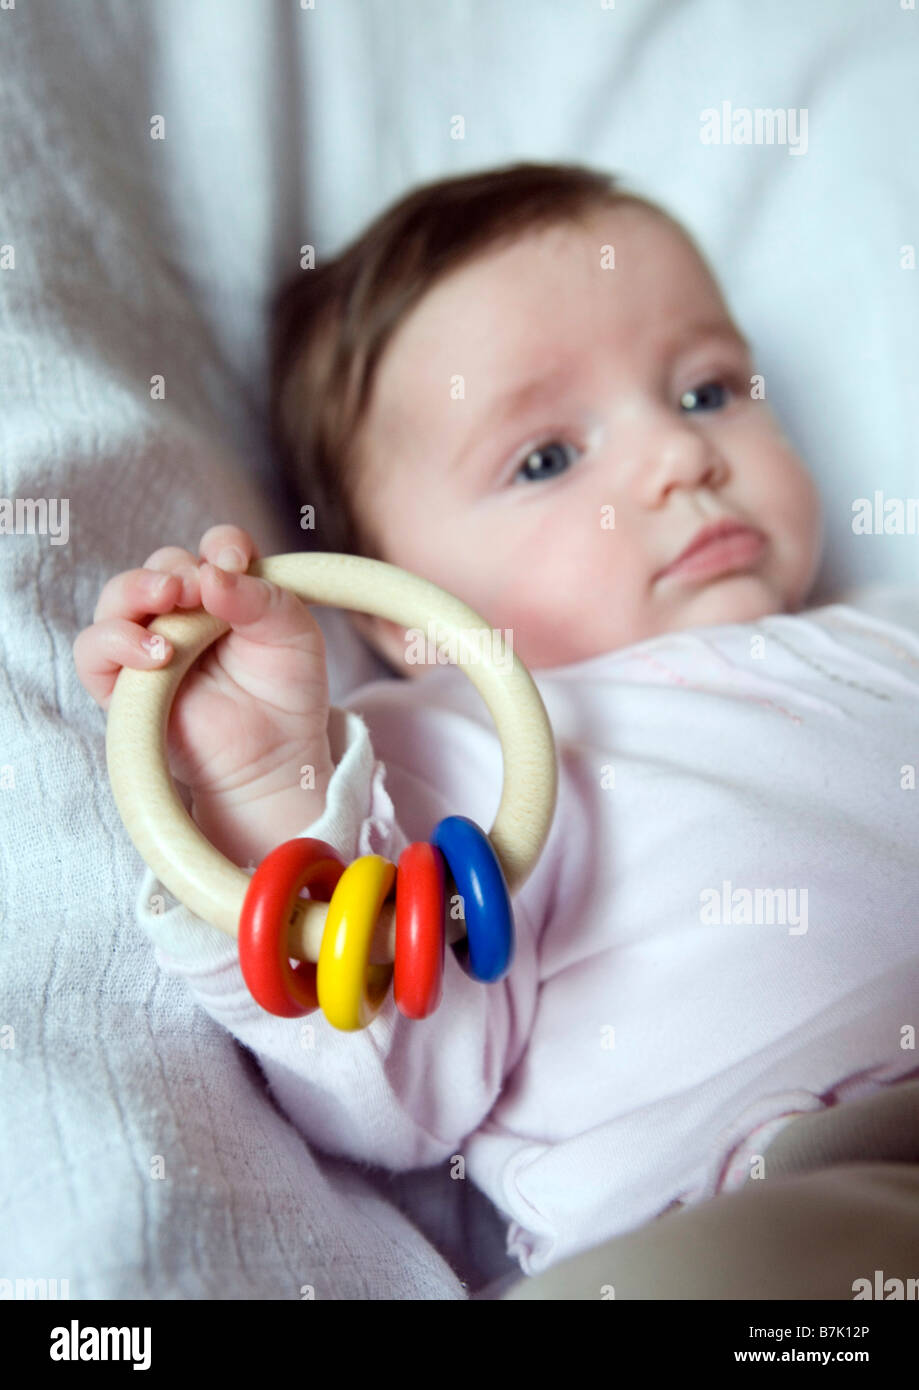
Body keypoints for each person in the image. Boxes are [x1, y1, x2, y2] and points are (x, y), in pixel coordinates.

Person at [73, 163, 919, 1296]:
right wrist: (274, 774)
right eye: (547, 458)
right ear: (402, 615)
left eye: (707, 389)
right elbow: (397, 1094)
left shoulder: (886, 634)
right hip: (750, 1200)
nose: (682, 456)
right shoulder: (443, 752)